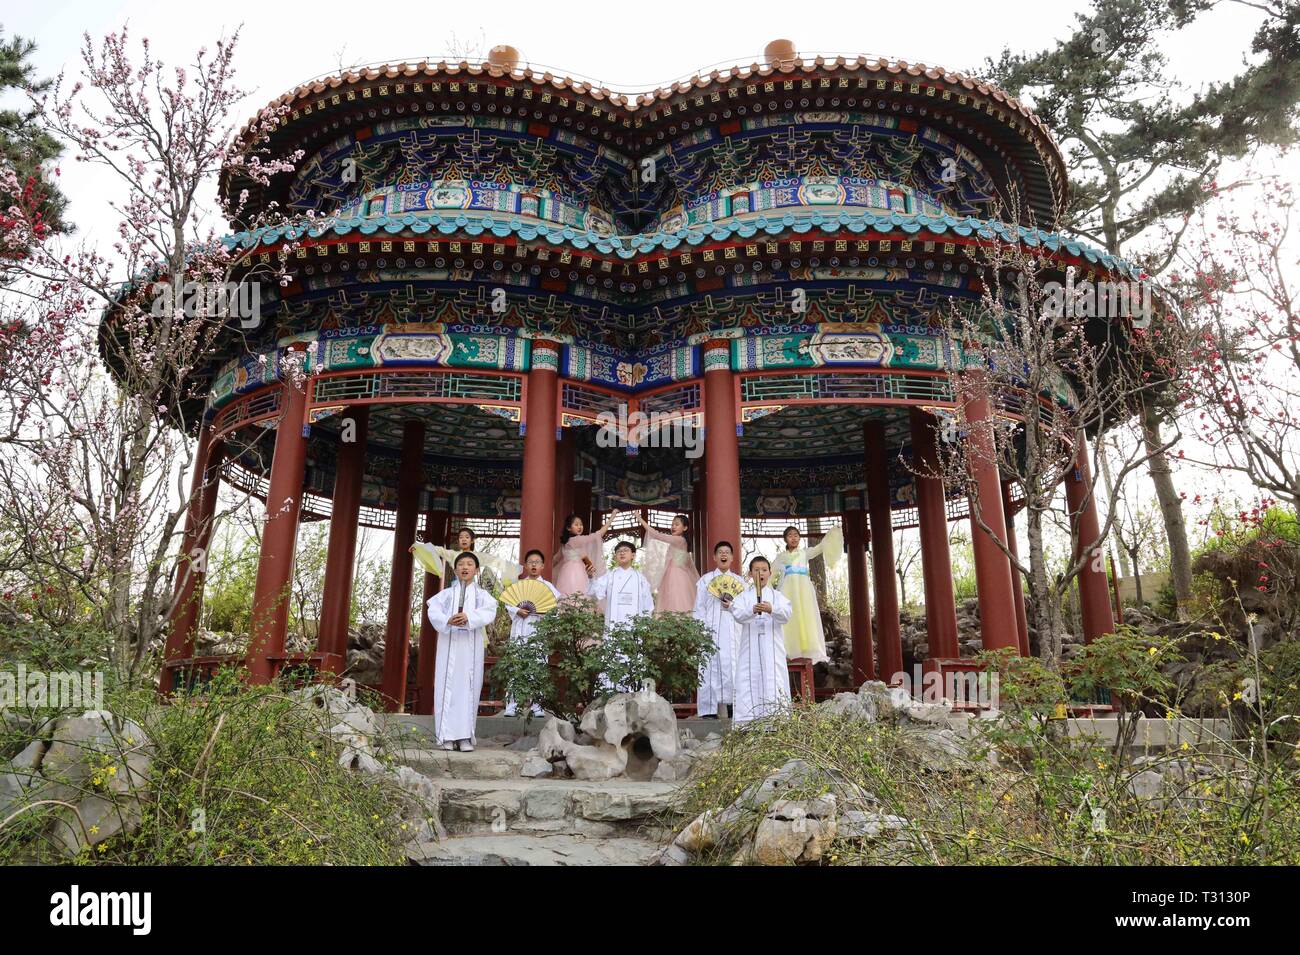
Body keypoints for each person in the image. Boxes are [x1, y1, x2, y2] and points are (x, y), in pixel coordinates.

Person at [425, 551, 500, 752]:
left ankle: (465, 736)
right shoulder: (447, 594)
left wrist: (470, 617)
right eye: (461, 564)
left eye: (469, 564)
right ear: (456, 569)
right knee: (446, 687)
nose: (465, 567)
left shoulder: (483, 596)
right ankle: (445, 737)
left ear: (476, 570)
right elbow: (432, 609)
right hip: (448, 645)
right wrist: (446, 620)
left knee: (469, 688)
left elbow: (490, 611)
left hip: (470, 647)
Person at [729, 555, 794, 726]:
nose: (760, 574)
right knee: (748, 680)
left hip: (772, 649)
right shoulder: (743, 597)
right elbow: (737, 614)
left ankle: (777, 721)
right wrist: (752, 610)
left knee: (774, 680)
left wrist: (771, 609)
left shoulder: (777, 596)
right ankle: (747, 723)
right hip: (749, 649)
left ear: (770, 573)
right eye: (756, 570)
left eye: (764, 570)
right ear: (750, 574)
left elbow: (786, 614)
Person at [500, 549, 561, 718]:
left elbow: (554, 609)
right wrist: (517, 610)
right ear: (526, 566)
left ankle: (537, 705)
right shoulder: (518, 586)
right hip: (519, 630)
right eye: (530, 562)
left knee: (538, 667)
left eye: (537, 562)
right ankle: (512, 705)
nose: (534, 565)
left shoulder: (549, 588)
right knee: (516, 667)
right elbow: (508, 603)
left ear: (542, 566)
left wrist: (542, 613)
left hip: (537, 633)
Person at [772, 524, 843, 664]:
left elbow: (821, 547)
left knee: (806, 615)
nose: (793, 538)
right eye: (790, 535)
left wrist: (832, 533)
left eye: (796, 535)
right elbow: (771, 571)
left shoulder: (805, 553)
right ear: (785, 539)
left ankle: (806, 647)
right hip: (788, 589)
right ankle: (789, 648)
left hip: (803, 589)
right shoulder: (781, 557)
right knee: (790, 616)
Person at [693, 540, 745, 719]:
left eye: (727, 552)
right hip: (710, 631)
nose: (723, 555)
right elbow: (698, 608)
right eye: (720, 552)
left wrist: (732, 607)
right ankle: (708, 711)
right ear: (714, 557)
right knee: (709, 669)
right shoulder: (705, 581)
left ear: (732, 557)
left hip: (733, 632)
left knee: (734, 667)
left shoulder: (739, 582)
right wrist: (700, 631)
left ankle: (734, 708)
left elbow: (744, 610)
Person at [412, 526, 521, 589]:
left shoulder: (478, 556)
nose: (463, 540)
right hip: (456, 586)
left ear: (472, 540)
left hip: (472, 587)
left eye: (467, 537)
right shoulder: (453, 554)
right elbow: (437, 549)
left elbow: (496, 561)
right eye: (461, 537)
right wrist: (418, 547)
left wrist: (512, 568)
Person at [637, 513, 699, 613]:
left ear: (685, 528)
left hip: (676, 576)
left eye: (677, 524)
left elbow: (657, 535)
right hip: (676, 574)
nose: (673, 527)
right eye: (672, 524)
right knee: (675, 601)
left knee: (675, 601)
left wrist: (640, 519)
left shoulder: (679, 540)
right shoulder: (682, 541)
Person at [586, 539, 654, 632]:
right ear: (615, 557)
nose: (622, 553)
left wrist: (645, 624)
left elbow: (648, 604)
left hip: (635, 625)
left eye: (625, 550)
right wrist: (590, 577)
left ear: (633, 555)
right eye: (619, 551)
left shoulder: (640, 578)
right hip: (613, 623)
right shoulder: (609, 576)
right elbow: (595, 593)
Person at [554, 512, 617, 597]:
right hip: (577, 572)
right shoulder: (576, 540)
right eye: (576, 524)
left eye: (581, 524)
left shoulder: (566, 543)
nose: (580, 527)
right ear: (568, 528)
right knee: (579, 595)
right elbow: (598, 534)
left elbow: (556, 559)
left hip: (565, 573)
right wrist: (612, 516)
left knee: (567, 596)